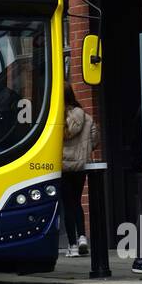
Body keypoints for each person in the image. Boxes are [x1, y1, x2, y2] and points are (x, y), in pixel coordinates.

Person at [60, 83, 97, 258]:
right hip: (80, 167)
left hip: (64, 166)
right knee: (77, 202)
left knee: (68, 204)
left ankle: (73, 245)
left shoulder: (58, 118)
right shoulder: (87, 118)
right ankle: (83, 236)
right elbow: (94, 139)